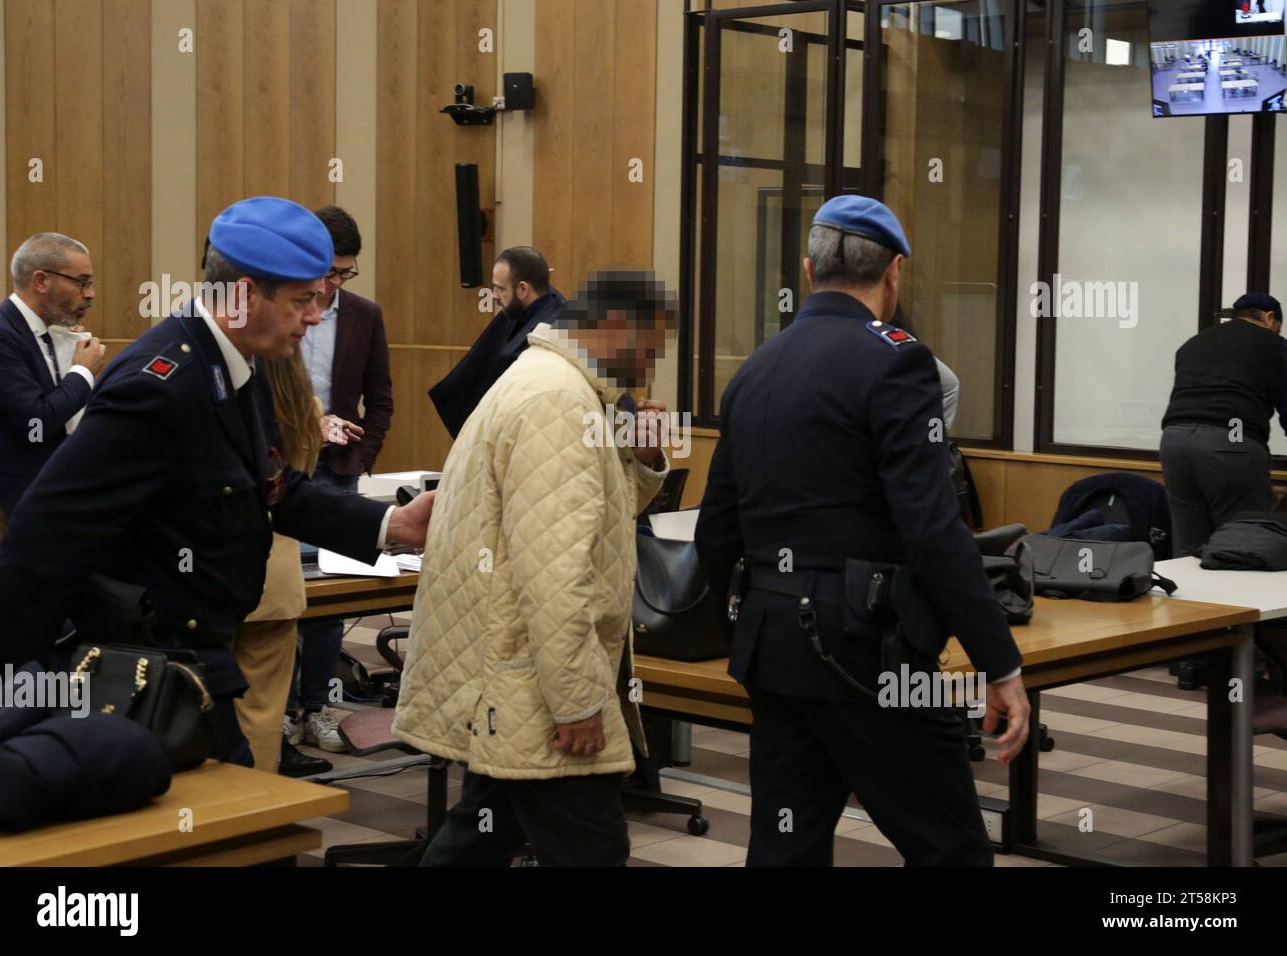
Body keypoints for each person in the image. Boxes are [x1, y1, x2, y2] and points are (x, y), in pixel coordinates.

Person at [0, 197, 435, 766]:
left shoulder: (232, 364)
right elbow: (44, 535)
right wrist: (9, 698)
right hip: (148, 665)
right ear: (245, 296)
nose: (316, 317)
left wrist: (393, 522)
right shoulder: (163, 382)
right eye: (303, 301)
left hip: (196, 653)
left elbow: (273, 487)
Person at [694, 196, 1030, 867]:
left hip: (774, 646)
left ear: (807, 269)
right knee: (951, 849)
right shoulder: (899, 362)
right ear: (894, 273)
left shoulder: (755, 371)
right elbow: (934, 529)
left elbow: (715, 533)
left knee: (786, 848)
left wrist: (751, 621)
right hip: (870, 649)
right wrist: (1000, 660)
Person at [392, 269, 676, 866]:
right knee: (593, 850)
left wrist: (641, 455)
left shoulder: (552, 385)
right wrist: (576, 702)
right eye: (651, 347)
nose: (650, 367)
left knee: (478, 837)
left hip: (512, 673)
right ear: (617, 327)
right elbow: (552, 572)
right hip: (533, 684)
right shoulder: (558, 403)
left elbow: (589, 519)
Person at [289, 204, 394, 754]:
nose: (333, 283)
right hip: (279, 470)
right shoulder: (282, 307)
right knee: (284, 595)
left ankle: (317, 706)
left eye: (345, 272)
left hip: (336, 475)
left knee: (330, 602)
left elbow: (381, 398)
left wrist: (362, 457)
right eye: (327, 271)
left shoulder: (363, 314)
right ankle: (282, 709)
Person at [233, 348, 340, 777]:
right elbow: (302, 481)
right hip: (276, 576)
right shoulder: (303, 405)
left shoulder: (220, 393)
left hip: (211, 578)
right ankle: (258, 814)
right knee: (263, 713)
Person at [0, 233, 106, 516]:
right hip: (28, 496)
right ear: (41, 281)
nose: (91, 294)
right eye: (82, 282)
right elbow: (36, 423)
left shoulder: (47, 331)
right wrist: (83, 371)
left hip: (64, 482)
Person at [1160, 292, 1287, 558]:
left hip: (1174, 441)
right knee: (1244, 545)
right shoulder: (1272, 343)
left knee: (1188, 549)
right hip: (1232, 438)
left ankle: (1188, 600)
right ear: (1269, 318)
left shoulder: (1193, 344)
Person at [428, 246, 567, 439]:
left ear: (523, 289)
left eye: (500, 288)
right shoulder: (520, 308)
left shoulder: (556, 329)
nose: (493, 295)